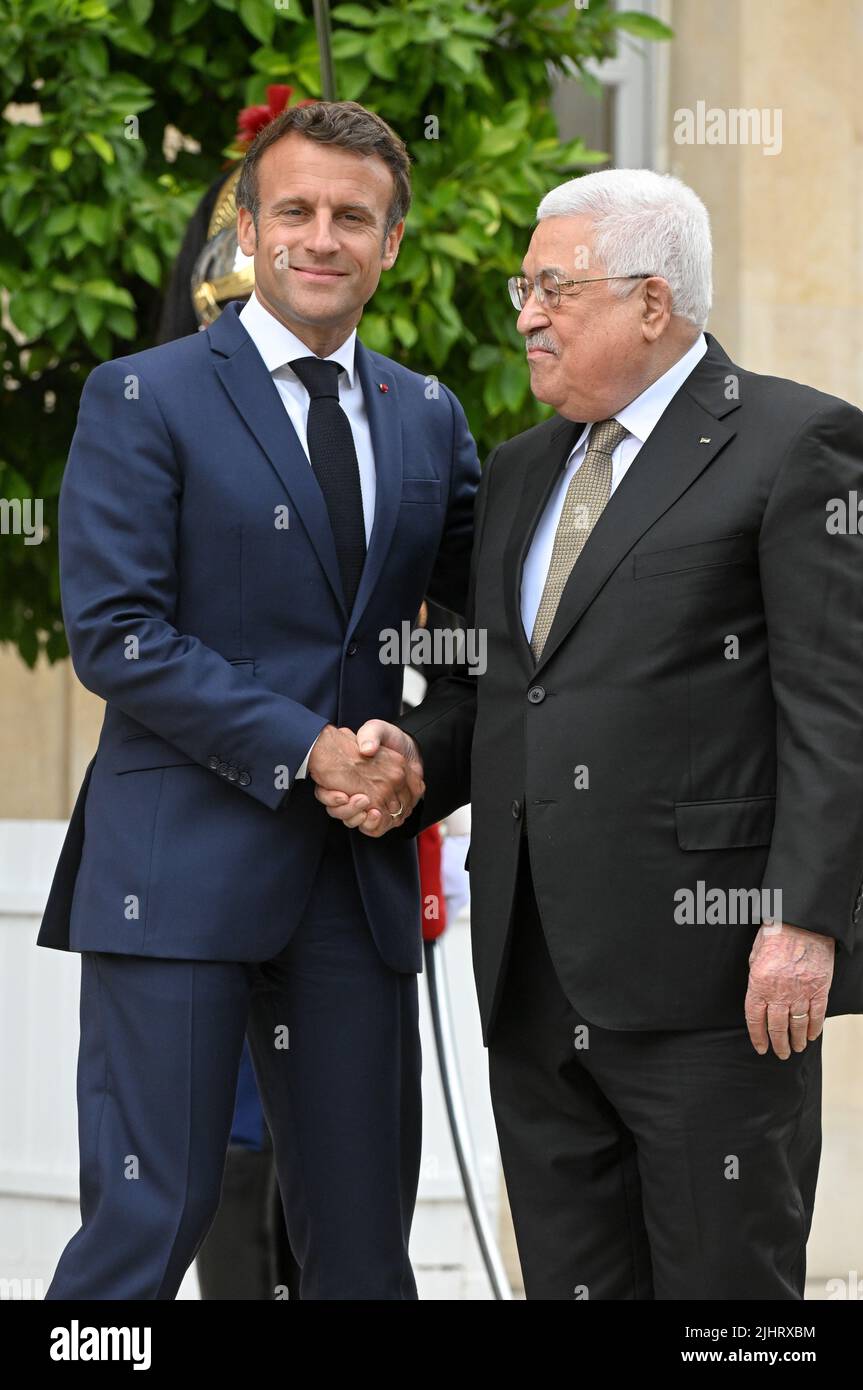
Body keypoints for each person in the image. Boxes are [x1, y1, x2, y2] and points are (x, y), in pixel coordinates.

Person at [317, 168, 863, 1300]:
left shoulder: (793, 442)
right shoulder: (520, 471)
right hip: (532, 979)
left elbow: (836, 704)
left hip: (715, 979)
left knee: (725, 1299)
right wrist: (413, 771)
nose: (523, 312)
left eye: (551, 288)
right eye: (525, 286)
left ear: (650, 303)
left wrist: (805, 921)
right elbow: (509, 694)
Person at [39, 99, 479, 1300]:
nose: (321, 236)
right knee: (143, 1229)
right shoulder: (142, 396)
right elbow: (118, 636)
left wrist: (413, 760)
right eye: (293, 209)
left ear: (391, 243)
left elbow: (491, 641)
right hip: (175, 865)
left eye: (353, 215)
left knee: (360, 1251)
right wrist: (312, 750)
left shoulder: (428, 415)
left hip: (355, 883)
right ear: (247, 226)